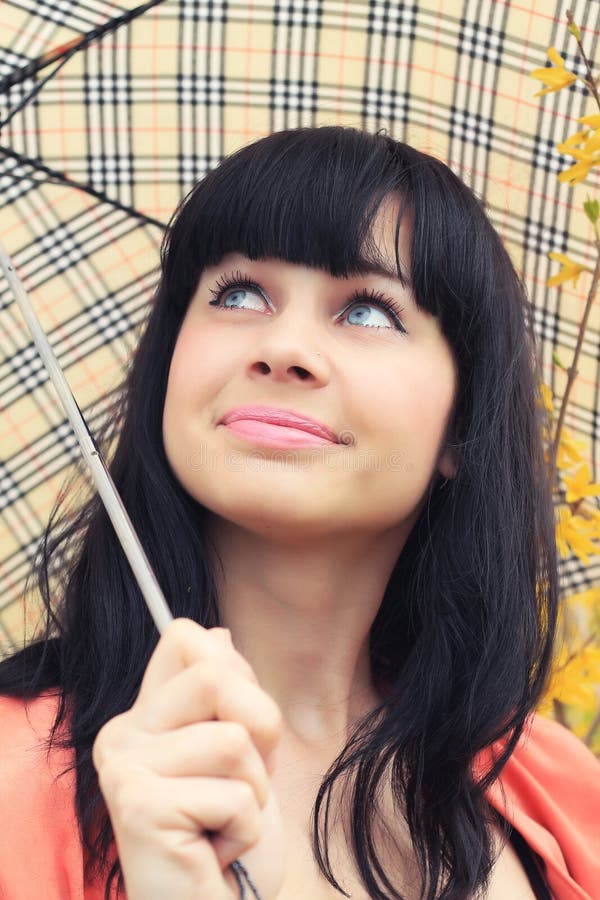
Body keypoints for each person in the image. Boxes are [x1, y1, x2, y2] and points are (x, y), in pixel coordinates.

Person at [0, 126, 598, 900]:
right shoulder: (16, 771)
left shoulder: (561, 797)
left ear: (461, 426)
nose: (283, 346)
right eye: (238, 294)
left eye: (370, 311)